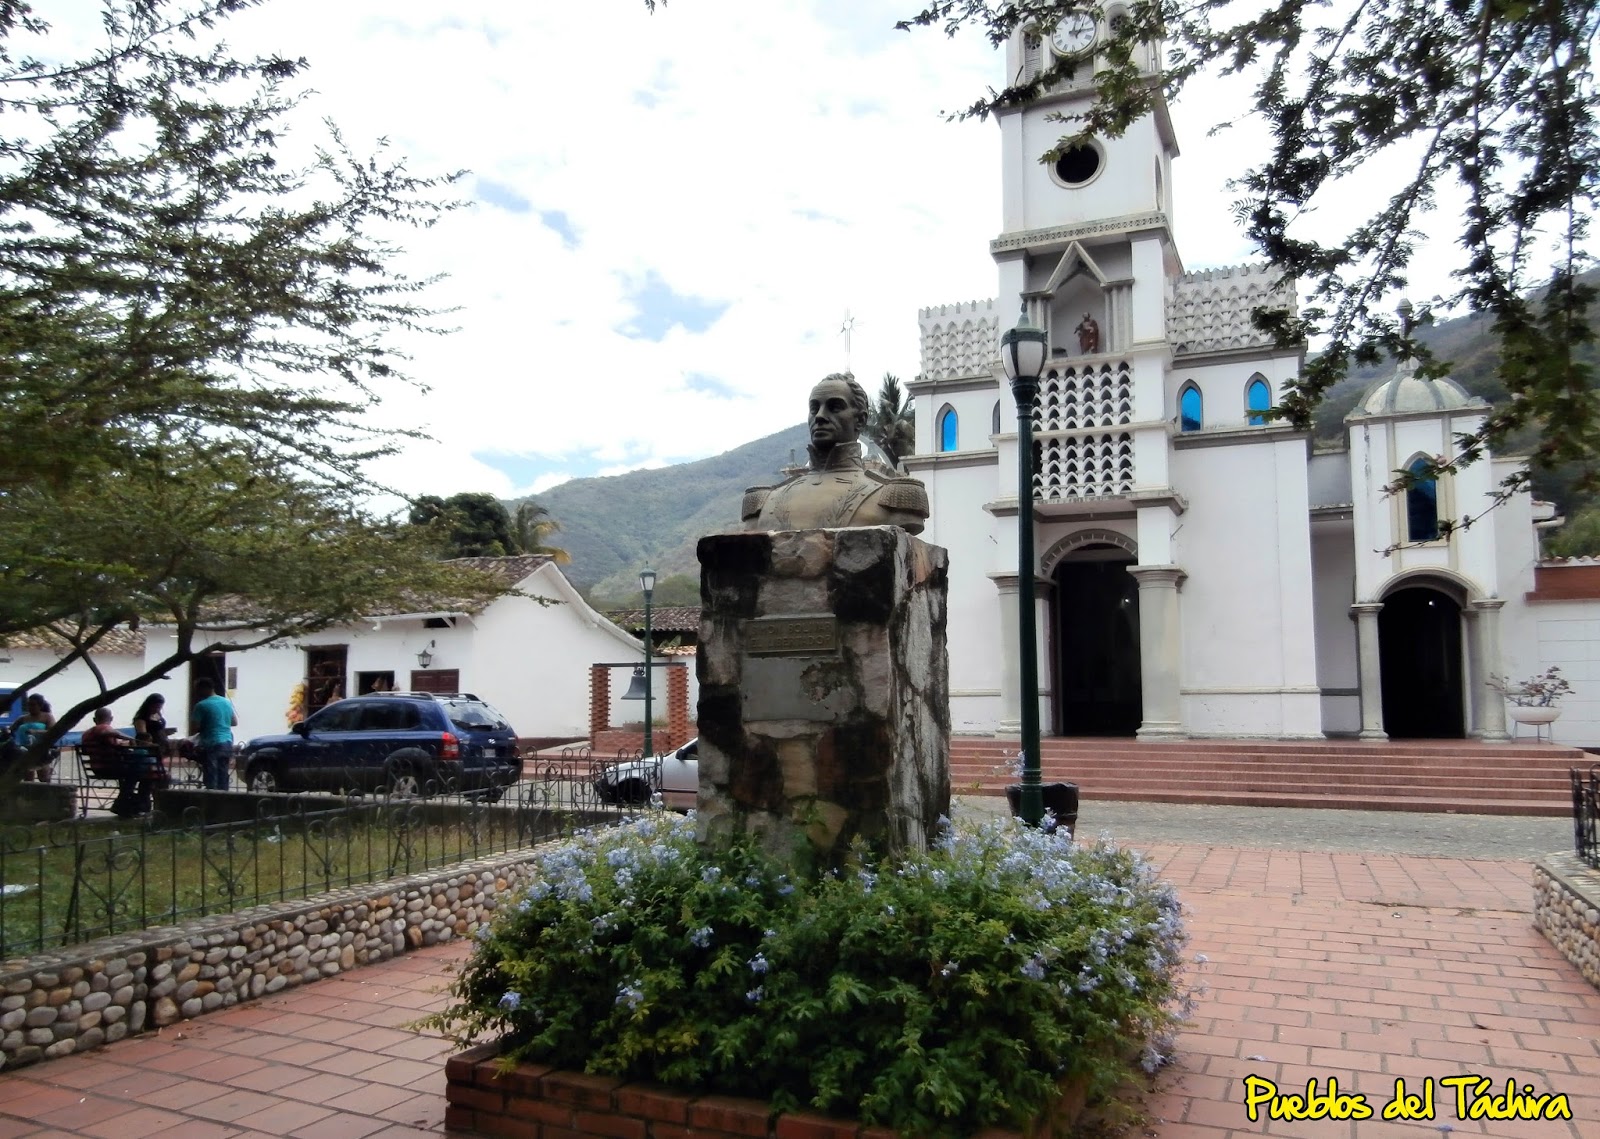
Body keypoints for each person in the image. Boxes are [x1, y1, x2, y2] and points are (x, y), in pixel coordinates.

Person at [743, 373, 930, 533]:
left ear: (860, 420)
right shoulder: (764, 502)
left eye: (835, 407)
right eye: (814, 408)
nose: (820, 416)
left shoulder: (897, 498)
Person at [83, 708, 160, 817]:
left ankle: (127, 803)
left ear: (94, 719)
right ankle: (135, 804)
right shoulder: (103, 728)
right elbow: (108, 731)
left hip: (98, 768)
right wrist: (133, 740)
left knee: (142, 771)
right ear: (111, 718)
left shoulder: (86, 734)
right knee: (148, 772)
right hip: (111, 768)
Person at [190, 678, 237, 791]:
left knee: (211, 777)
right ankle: (224, 801)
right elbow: (234, 722)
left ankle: (212, 802)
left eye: (198, 690)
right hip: (227, 742)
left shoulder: (201, 705)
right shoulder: (226, 702)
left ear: (204, 689)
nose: (197, 693)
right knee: (223, 775)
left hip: (211, 743)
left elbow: (195, 727)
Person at [14, 694, 56, 782]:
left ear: (40, 705)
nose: (30, 707)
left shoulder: (47, 716)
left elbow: (53, 731)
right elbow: (11, 729)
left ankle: (46, 794)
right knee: (28, 778)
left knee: (43, 777)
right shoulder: (23, 718)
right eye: (28, 704)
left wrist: (36, 731)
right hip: (25, 749)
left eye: (33, 705)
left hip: (41, 749)